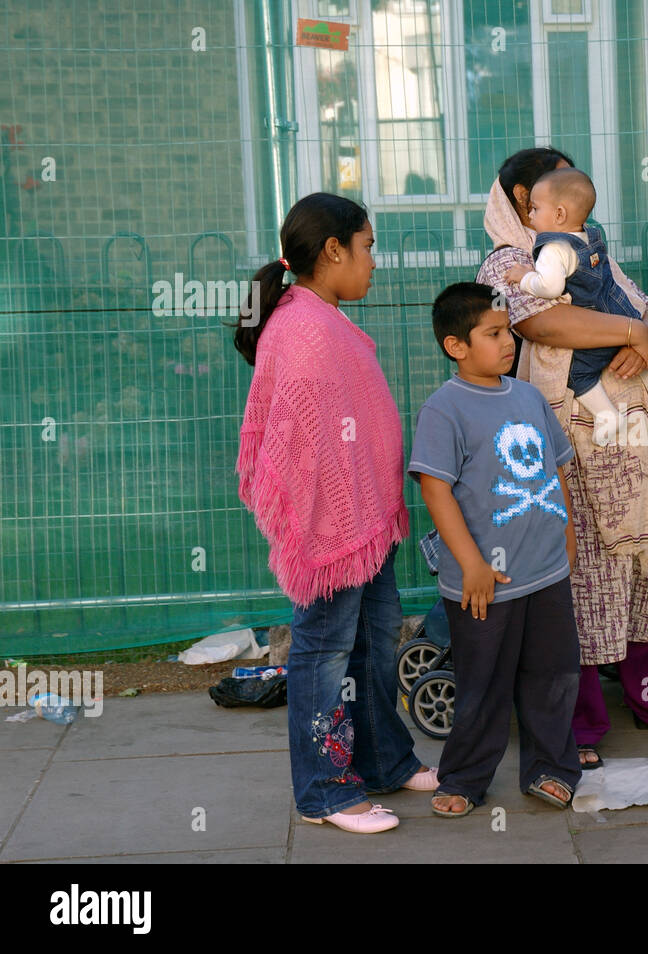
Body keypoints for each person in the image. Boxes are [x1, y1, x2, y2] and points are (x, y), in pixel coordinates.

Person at [478, 147, 648, 771]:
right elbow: (542, 325)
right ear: (516, 204)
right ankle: (580, 723)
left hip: (632, 439)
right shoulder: (509, 263)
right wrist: (630, 334)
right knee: (581, 573)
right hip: (566, 443)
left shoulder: (589, 249)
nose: (546, 209)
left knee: (647, 562)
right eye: (534, 198)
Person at [234, 193, 435, 835]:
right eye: (368, 246)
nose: (375, 261)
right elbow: (298, 446)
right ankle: (323, 790)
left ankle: (382, 760)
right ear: (333, 250)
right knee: (322, 652)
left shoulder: (322, 318)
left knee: (376, 641)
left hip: (366, 523)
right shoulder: (303, 332)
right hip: (330, 533)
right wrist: (325, 521)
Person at [409, 282, 582, 817]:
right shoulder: (444, 410)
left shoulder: (528, 396)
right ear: (456, 346)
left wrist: (569, 536)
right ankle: (463, 778)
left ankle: (551, 769)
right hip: (486, 583)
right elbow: (434, 490)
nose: (508, 342)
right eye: (493, 333)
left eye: (508, 331)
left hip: (546, 572)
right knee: (482, 686)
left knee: (553, 677)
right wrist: (473, 565)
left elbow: (556, 470)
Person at [503, 167, 648, 437]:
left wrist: (524, 276)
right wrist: (636, 332)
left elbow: (550, 287)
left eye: (536, 209)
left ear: (559, 214)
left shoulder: (552, 249)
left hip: (593, 323)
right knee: (645, 362)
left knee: (578, 375)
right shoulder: (590, 236)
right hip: (621, 311)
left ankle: (607, 416)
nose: (530, 215)